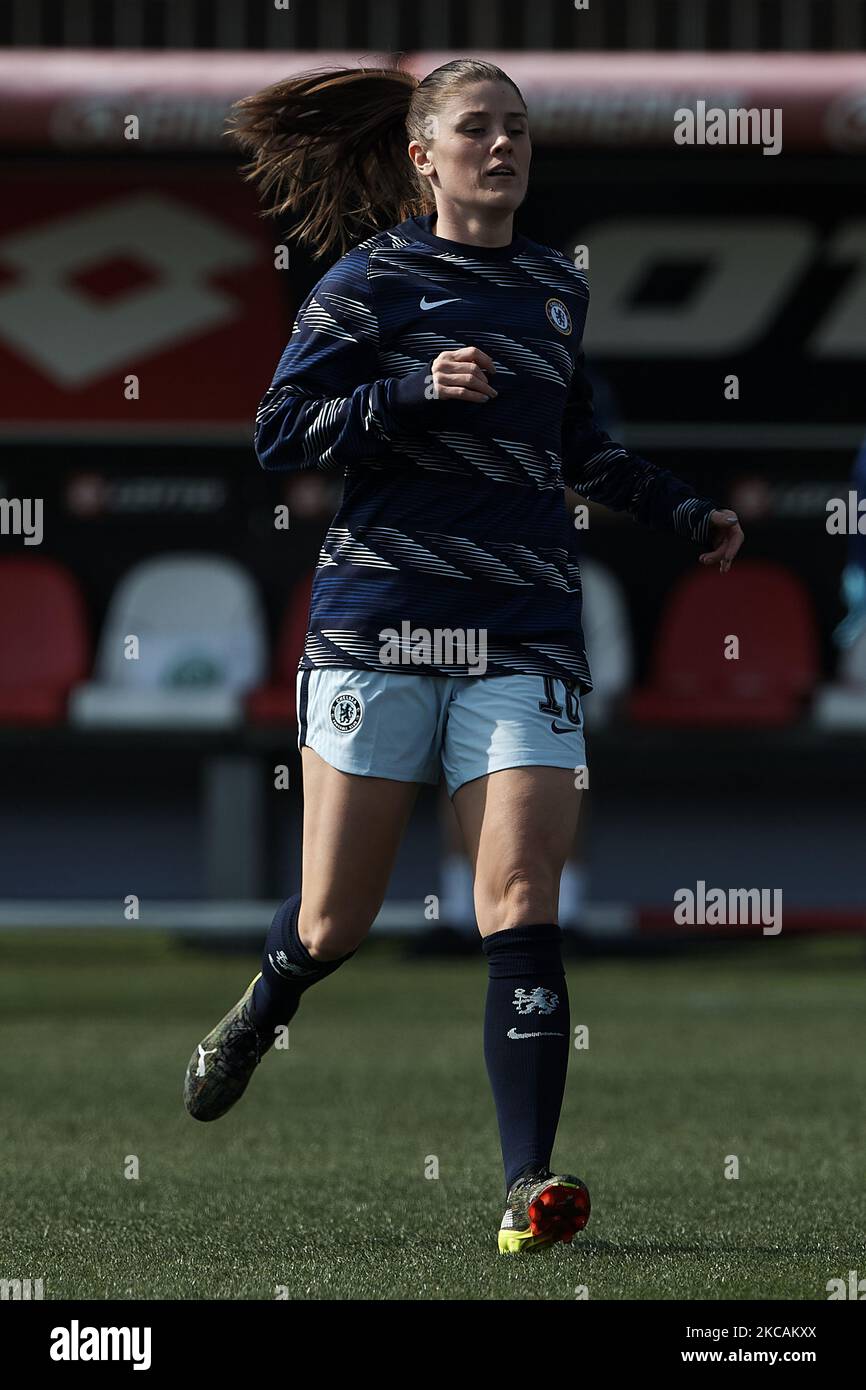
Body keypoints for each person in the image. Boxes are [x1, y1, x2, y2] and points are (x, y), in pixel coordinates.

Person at [182, 58, 744, 1255]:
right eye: (476, 129)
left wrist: (682, 511)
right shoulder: (365, 283)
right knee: (338, 919)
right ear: (423, 155)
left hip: (522, 630)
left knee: (519, 897)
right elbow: (278, 433)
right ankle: (265, 997)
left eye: (517, 130)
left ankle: (525, 1187)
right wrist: (400, 392)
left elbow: (574, 444)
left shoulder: (553, 287)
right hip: (377, 626)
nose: (502, 147)